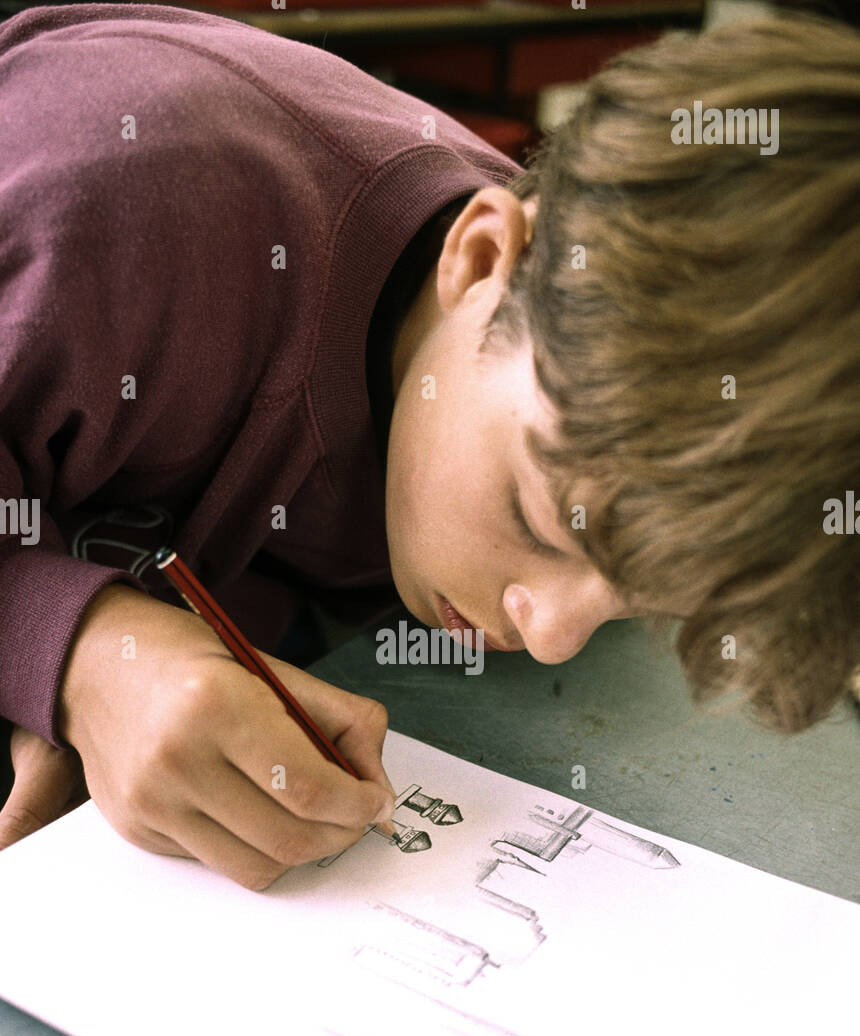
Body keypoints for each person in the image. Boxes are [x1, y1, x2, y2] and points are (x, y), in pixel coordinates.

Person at [0, 4, 857, 889]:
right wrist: (81, 653)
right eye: (534, 518)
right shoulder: (120, 203)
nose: (555, 639)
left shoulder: (554, 378)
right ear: (484, 260)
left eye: (641, 596)